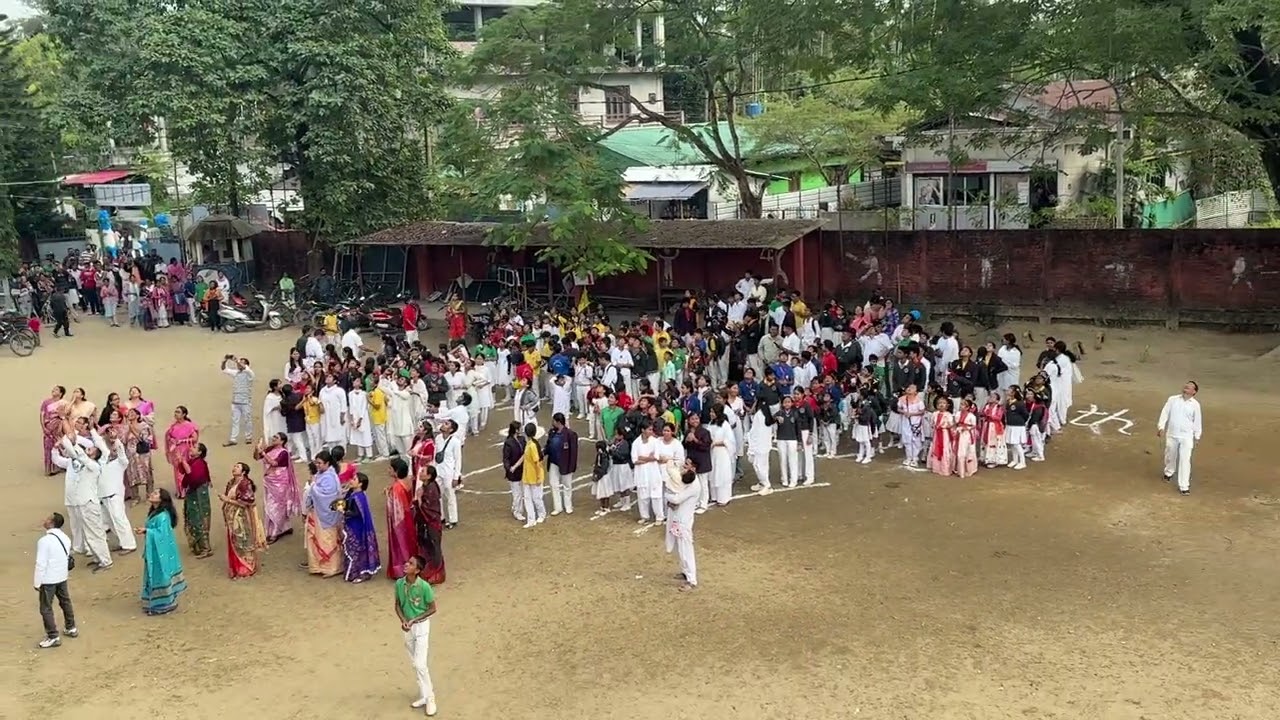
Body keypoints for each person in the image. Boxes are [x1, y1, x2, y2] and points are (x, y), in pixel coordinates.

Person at [395, 555, 438, 715]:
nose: (406, 564)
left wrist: (415, 619)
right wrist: (404, 621)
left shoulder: (424, 587)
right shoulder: (399, 584)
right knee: (415, 663)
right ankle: (424, 695)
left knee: (420, 664)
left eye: (411, 564)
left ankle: (430, 697)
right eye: (407, 562)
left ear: (417, 570)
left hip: (421, 627)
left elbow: (432, 608)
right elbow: (397, 605)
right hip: (408, 627)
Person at [137, 488, 188, 615]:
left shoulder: (163, 516)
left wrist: (147, 531)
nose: (151, 494)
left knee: (160, 573)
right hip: (153, 549)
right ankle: (155, 601)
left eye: (155, 493)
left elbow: (163, 534)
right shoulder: (154, 513)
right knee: (153, 573)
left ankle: (165, 604)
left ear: (161, 499)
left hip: (161, 552)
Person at [34, 512, 77, 649]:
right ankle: (71, 627)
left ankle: (53, 636)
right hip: (62, 576)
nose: (45, 520)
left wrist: (37, 581)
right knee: (65, 602)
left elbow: (41, 563)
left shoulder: (44, 541)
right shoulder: (65, 538)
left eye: (47, 519)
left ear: (52, 523)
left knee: (46, 608)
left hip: (48, 579)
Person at [92, 427, 137, 554]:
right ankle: (122, 542)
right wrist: (93, 430)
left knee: (119, 519)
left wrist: (116, 440)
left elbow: (121, 453)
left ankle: (129, 544)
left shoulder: (120, 462)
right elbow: (100, 443)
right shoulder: (101, 462)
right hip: (102, 496)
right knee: (109, 521)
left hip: (114, 495)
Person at [220, 462, 267, 578]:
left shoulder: (245, 484)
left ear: (243, 472)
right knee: (233, 539)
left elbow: (248, 502)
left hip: (242, 516)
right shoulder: (231, 482)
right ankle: (236, 566)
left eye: (237, 467)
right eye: (234, 466)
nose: (234, 468)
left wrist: (227, 500)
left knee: (243, 539)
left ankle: (247, 566)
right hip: (231, 515)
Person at [302, 450, 344, 577]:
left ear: (327, 463)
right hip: (318, 512)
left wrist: (312, 486)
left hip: (327, 513)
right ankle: (318, 566)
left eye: (319, 463)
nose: (317, 465)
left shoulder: (330, 477)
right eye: (316, 463)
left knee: (327, 539)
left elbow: (327, 495)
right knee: (317, 538)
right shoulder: (322, 474)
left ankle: (333, 568)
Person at [1157, 380, 1203, 496]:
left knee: (1185, 460)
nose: (1186, 387)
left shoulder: (1195, 405)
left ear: (1194, 392)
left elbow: (1197, 421)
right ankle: (1169, 472)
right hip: (1172, 434)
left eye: (1189, 386)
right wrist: (1161, 427)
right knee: (1170, 454)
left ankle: (1184, 485)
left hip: (1186, 436)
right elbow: (1165, 413)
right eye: (1186, 385)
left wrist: (1197, 436)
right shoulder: (1172, 399)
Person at [254, 433, 301, 543]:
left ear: (282, 441)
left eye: (276, 437)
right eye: (274, 437)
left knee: (276, 507)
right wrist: (257, 449)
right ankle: (285, 528)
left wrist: (263, 453)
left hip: (280, 483)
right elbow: (257, 457)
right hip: (269, 481)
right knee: (270, 505)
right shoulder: (270, 449)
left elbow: (274, 463)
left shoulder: (284, 453)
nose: (273, 438)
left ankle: (275, 533)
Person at [665, 459, 701, 592]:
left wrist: (666, 494)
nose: (683, 466)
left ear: (693, 468)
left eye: (687, 465)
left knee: (686, 549)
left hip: (684, 522)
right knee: (680, 548)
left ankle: (692, 580)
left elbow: (677, 499)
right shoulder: (686, 480)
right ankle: (685, 572)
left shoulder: (694, 485)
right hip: (678, 519)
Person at [342, 472, 382, 582]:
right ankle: (354, 572)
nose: (351, 480)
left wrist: (344, 512)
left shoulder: (358, 497)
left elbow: (356, 513)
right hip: (352, 526)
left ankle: (359, 573)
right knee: (353, 550)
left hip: (356, 528)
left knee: (355, 550)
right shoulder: (355, 494)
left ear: (360, 484)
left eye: (354, 479)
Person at [386, 457, 420, 579]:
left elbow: (396, 508)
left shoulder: (397, 487)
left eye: (390, 468)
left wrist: (388, 495)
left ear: (396, 472)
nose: (388, 470)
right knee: (409, 541)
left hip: (400, 521)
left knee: (400, 544)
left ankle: (401, 569)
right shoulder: (407, 482)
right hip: (408, 517)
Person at [179, 443, 214, 558]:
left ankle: (206, 548)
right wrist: (182, 461)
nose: (191, 448)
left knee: (200, 519)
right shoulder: (193, 461)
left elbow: (192, 476)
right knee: (193, 518)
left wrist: (183, 461)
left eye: (194, 447)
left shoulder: (200, 464)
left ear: (199, 452)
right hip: (193, 494)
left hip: (199, 497)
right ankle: (199, 546)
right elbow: (183, 471)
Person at [414, 465, 446, 584]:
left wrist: (418, 498)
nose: (420, 473)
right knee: (427, 546)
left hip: (432, 523)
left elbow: (427, 508)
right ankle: (430, 570)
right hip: (426, 523)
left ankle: (437, 573)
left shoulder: (431, 489)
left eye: (423, 471)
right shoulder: (426, 486)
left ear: (428, 476)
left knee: (434, 547)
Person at [544, 413, 579, 516]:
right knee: (554, 484)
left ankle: (568, 506)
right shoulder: (552, 433)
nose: (552, 423)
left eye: (554, 421)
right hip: (554, 462)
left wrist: (572, 466)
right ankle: (557, 507)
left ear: (558, 422)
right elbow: (548, 446)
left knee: (567, 485)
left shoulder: (570, 435)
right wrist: (542, 454)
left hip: (566, 464)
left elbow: (573, 452)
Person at [163, 406, 201, 499]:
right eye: (175, 412)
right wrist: (171, 440)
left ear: (184, 414)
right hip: (176, 451)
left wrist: (183, 441)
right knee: (177, 471)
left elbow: (195, 438)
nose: (176, 414)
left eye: (178, 412)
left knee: (185, 470)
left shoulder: (189, 425)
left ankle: (186, 489)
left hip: (186, 450)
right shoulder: (173, 426)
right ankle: (180, 491)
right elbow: (169, 436)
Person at [519, 422, 548, 528]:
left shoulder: (532, 446)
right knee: (527, 498)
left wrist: (539, 477)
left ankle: (542, 514)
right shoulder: (530, 444)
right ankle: (531, 519)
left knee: (536, 498)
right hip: (527, 476)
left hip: (534, 477)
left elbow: (537, 463)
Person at [501, 422, 527, 522]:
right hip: (514, 472)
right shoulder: (509, 442)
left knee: (520, 492)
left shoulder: (522, 439)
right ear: (516, 430)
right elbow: (506, 458)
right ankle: (517, 512)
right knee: (517, 493)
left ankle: (515, 507)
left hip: (522, 470)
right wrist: (509, 469)